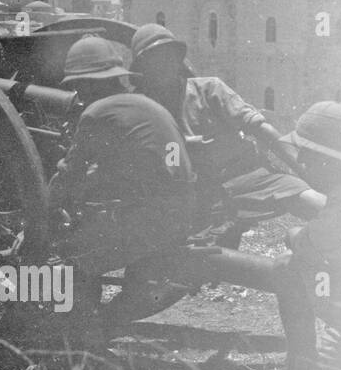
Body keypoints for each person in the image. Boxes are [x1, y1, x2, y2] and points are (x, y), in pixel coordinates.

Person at [43, 36, 196, 334]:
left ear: (87, 83)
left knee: (73, 257)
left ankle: (83, 341)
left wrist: (42, 212)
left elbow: (69, 174)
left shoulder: (96, 113)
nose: (79, 93)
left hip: (155, 216)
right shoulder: (147, 104)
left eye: (79, 86)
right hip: (183, 207)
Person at [129, 23, 314, 233]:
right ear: (143, 67)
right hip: (194, 196)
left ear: (177, 59)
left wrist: (306, 172)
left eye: (168, 56)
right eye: (154, 59)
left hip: (246, 177)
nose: (164, 65)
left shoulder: (208, 90)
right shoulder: (141, 108)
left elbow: (261, 129)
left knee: (310, 200)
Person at [259, 102, 341, 370]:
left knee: (287, 266)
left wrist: (294, 233)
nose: (303, 160)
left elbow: (306, 245)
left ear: (329, 159)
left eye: (309, 153)